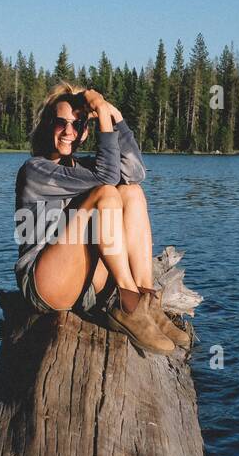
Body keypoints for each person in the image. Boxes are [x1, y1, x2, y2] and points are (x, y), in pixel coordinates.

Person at [13, 82, 190, 353]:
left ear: (85, 132)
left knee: (132, 192)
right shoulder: (36, 170)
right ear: (49, 125)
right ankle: (128, 303)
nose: (68, 131)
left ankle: (146, 301)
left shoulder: (83, 168)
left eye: (78, 124)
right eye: (61, 123)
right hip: (43, 284)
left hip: (82, 284)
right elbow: (106, 179)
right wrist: (100, 113)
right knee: (106, 193)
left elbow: (135, 173)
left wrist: (112, 115)